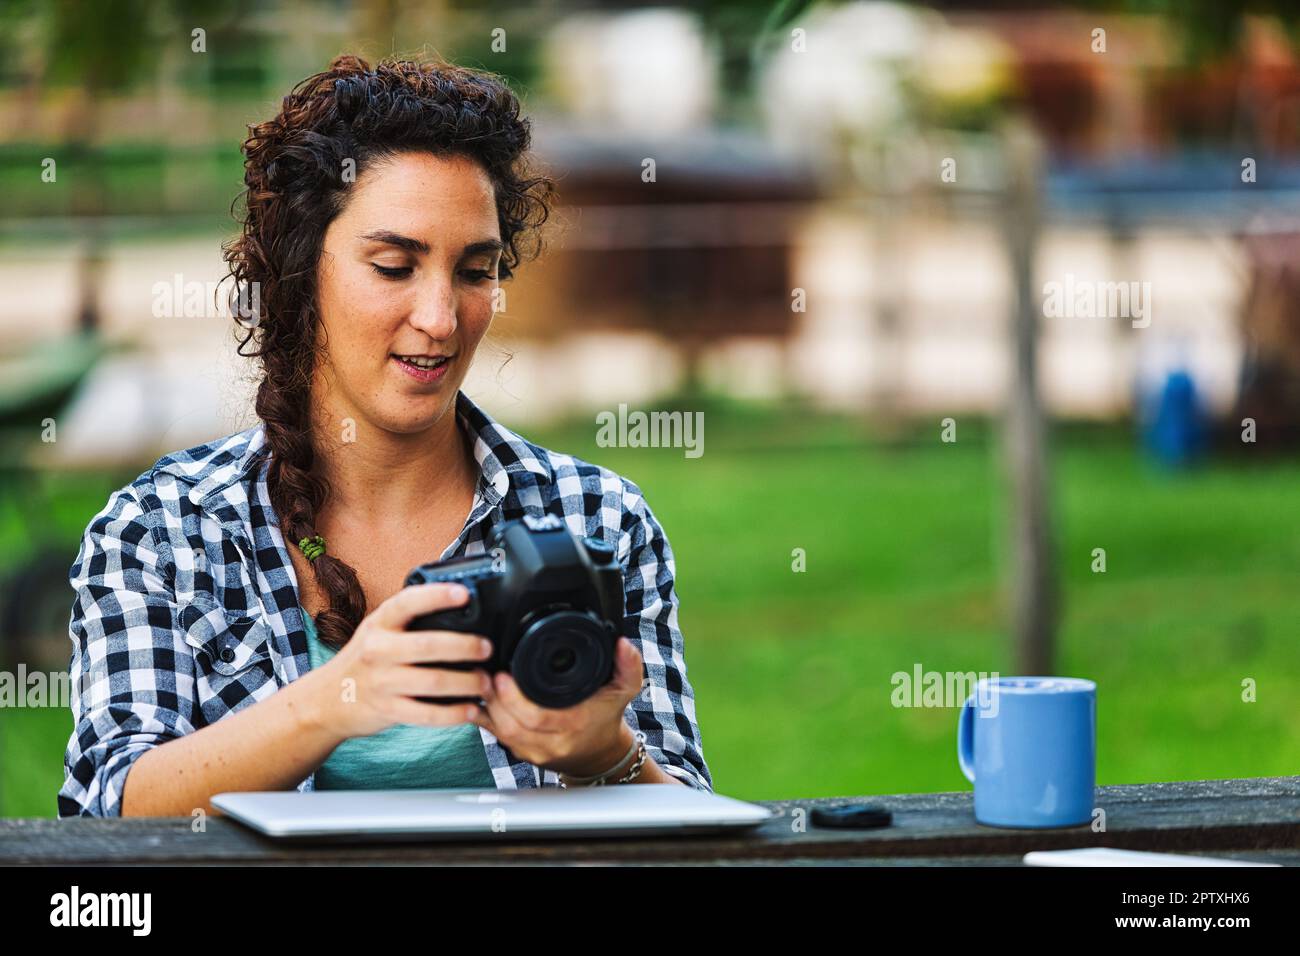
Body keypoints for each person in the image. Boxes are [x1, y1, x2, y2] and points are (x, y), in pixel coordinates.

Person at [58, 54, 711, 817]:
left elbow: (688, 825)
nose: (440, 318)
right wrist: (336, 698)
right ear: (302, 272)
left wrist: (601, 754)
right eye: (395, 266)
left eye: (475, 271)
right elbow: (114, 810)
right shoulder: (164, 531)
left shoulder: (596, 519)